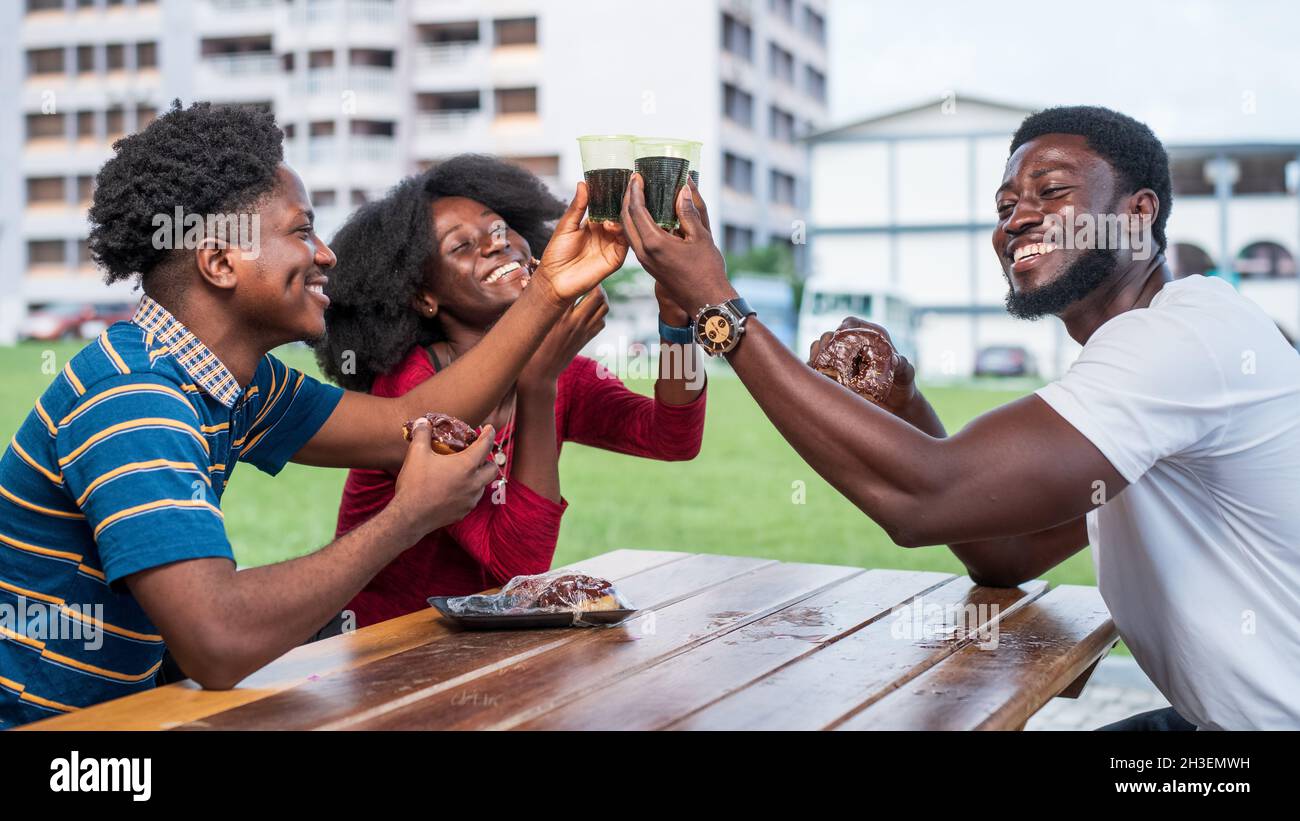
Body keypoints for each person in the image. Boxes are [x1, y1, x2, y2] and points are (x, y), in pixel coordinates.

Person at [623, 105, 1300, 731]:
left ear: (1138, 213)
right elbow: (1002, 549)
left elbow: (926, 498)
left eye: (1051, 191)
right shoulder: (1157, 356)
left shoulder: (1179, 339)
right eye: (1006, 204)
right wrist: (905, 402)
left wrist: (717, 307)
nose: (1017, 219)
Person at [0, 101, 626, 728]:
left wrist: (548, 290)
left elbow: (408, 419)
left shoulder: (232, 379)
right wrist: (406, 517)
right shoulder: (133, 398)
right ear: (221, 263)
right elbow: (217, 642)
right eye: (301, 232)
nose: (328, 255)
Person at [313, 155, 706, 628]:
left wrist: (677, 322)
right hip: (381, 648)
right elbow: (517, 564)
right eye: (461, 246)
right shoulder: (412, 388)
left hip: (477, 647)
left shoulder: (564, 372)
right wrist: (537, 387)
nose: (496, 246)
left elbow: (673, 437)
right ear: (424, 297)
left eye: (500, 228)